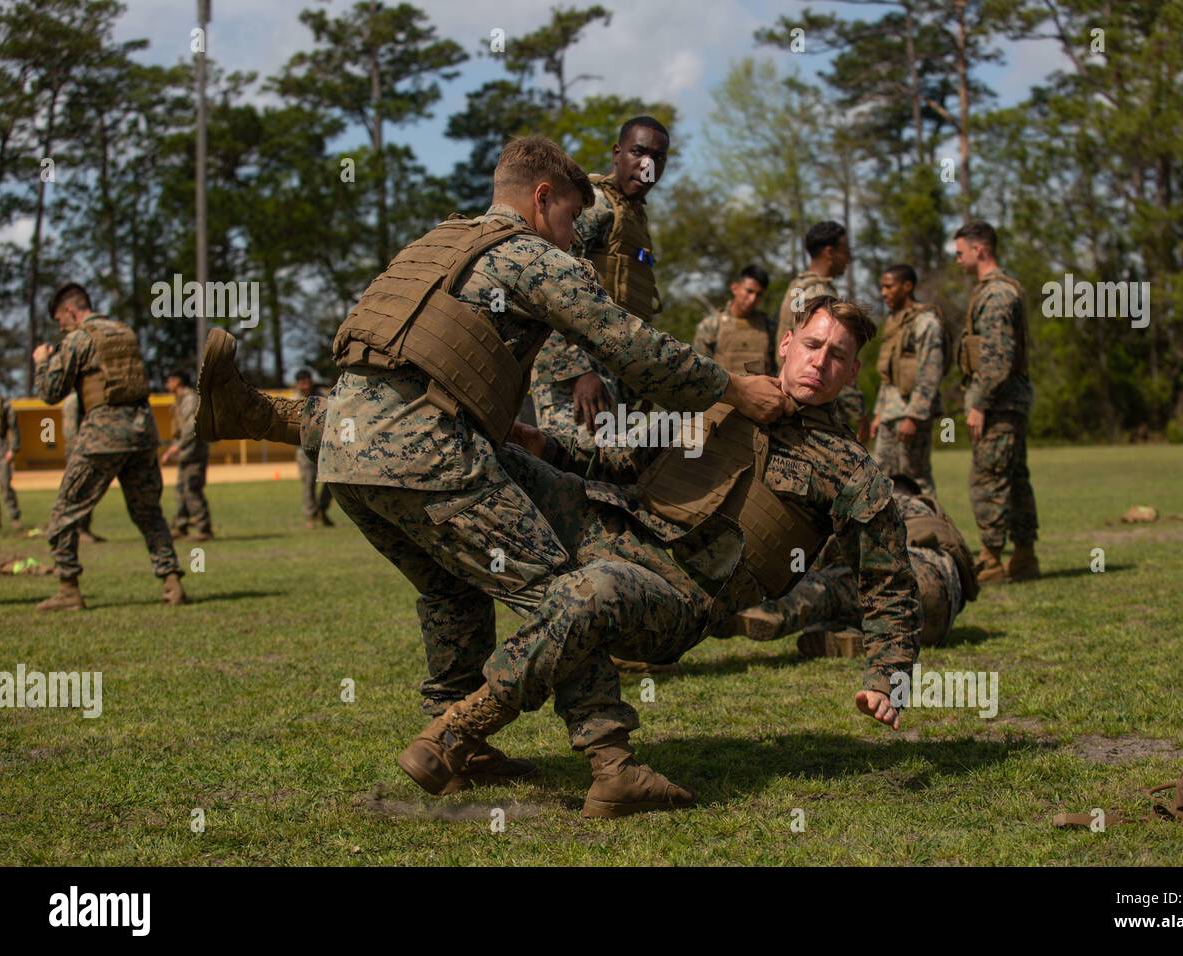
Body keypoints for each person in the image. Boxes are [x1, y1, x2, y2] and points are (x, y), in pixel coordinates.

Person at [196, 135, 791, 794]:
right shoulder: (532, 256)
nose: (572, 239)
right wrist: (735, 389)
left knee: (453, 591)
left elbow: (409, 363)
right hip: (428, 458)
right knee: (567, 595)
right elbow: (633, 347)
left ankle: (466, 754)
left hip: (346, 458)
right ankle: (611, 767)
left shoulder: (434, 246)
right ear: (543, 199)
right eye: (569, 219)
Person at [393, 296, 920, 816]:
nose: (819, 362)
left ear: (851, 372)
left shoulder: (852, 472)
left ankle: (456, 731)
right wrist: (545, 447)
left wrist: (886, 678)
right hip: (611, 527)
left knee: (588, 593)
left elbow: (888, 578)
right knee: (487, 455)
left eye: (836, 356)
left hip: (679, 597)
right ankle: (337, 425)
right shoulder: (720, 395)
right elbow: (627, 458)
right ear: (787, 344)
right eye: (812, 344)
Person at [529, 116, 672, 475]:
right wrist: (578, 372)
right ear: (617, 154)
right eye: (638, 152)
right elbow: (548, 283)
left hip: (617, 375)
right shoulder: (596, 206)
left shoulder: (635, 216)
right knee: (578, 472)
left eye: (658, 156)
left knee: (617, 479)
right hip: (578, 375)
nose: (647, 164)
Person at [33, 282, 185, 611]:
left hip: (103, 434)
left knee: (63, 513)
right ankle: (172, 583)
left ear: (71, 311)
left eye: (60, 320)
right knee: (148, 512)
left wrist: (43, 361)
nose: (61, 327)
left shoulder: (78, 338)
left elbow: (50, 393)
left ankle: (68, 589)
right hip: (142, 432)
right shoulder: (125, 332)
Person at [720, 473, 978, 654]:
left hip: (913, 579)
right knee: (848, 603)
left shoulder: (892, 500)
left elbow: (832, 545)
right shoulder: (942, 527)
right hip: (936, 624)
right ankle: (856, 638)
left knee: (826, 588)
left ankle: (762, 612)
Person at [954, 220, 1040, 583]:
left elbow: (998, 358)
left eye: (961, 252)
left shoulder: (996, 295)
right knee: (1015, 478)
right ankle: (1024, 557)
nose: (957, 259)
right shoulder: (997, 291)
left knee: (988, 479)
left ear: (980, 250)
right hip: (1007, 403)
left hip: (999, 404)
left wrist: (980, 403)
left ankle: (990, 559)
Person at [774, 221, 865, 433]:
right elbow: (834, 352)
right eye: (846, 251)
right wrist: (856, 411)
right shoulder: (818, 294)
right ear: (829, 252)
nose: (848, 259)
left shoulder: (797, 287)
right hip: (812, 405)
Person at [867, 264, 948, 496]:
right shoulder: (894, 321)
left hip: (911, 415)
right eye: (882, 287)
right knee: (882, 475)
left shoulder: (926, 322)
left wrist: (914, 416)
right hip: (890, 414)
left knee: (915, 478)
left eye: (889, 286)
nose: (884, 293)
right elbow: (889, 375)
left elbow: (930, 373)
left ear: (907, 286)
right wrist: (879, 412)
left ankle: (929, 529)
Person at [692, 265, 776, 374]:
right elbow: (699, 370)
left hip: (759, 390)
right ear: (735, 288)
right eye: (749, 291)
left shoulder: (769, 327)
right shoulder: (711, 325)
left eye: (759, 294)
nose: (752, 299)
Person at [160, 369, 211, 541]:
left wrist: (177, 447)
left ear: (178, 381)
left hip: (194, 452)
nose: (167, 384)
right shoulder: (180, 400)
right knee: (181, 490)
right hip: (186, 453)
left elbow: (191, 427)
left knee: (192, 489)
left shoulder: (189, 399)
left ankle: (204, 528)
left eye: (169, 380)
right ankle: (180, 527)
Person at [60, 391, 106, 543]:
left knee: (89, 491)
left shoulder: (84, 397)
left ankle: (84, 529)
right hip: (79, 452)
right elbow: (70, 430)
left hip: (88, 450)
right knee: (78, 490)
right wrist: (78, 454)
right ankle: (77, 530)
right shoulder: (73, 401)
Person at [294, 368, 332, 529]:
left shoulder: (322, 397)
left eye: (307, 380)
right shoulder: (294, 400)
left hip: (324, 448)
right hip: (303, 449)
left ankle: (322, 509)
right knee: (308, 483)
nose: (305, 384)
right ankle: (311, 516)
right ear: (297, 384)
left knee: (330, 482)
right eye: (302, 382)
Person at [0, 391, 22, 533]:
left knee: (5, 485)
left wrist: (12, 449)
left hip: (2, 449)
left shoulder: (5, 406)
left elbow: (14, 429)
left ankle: (15, 518)